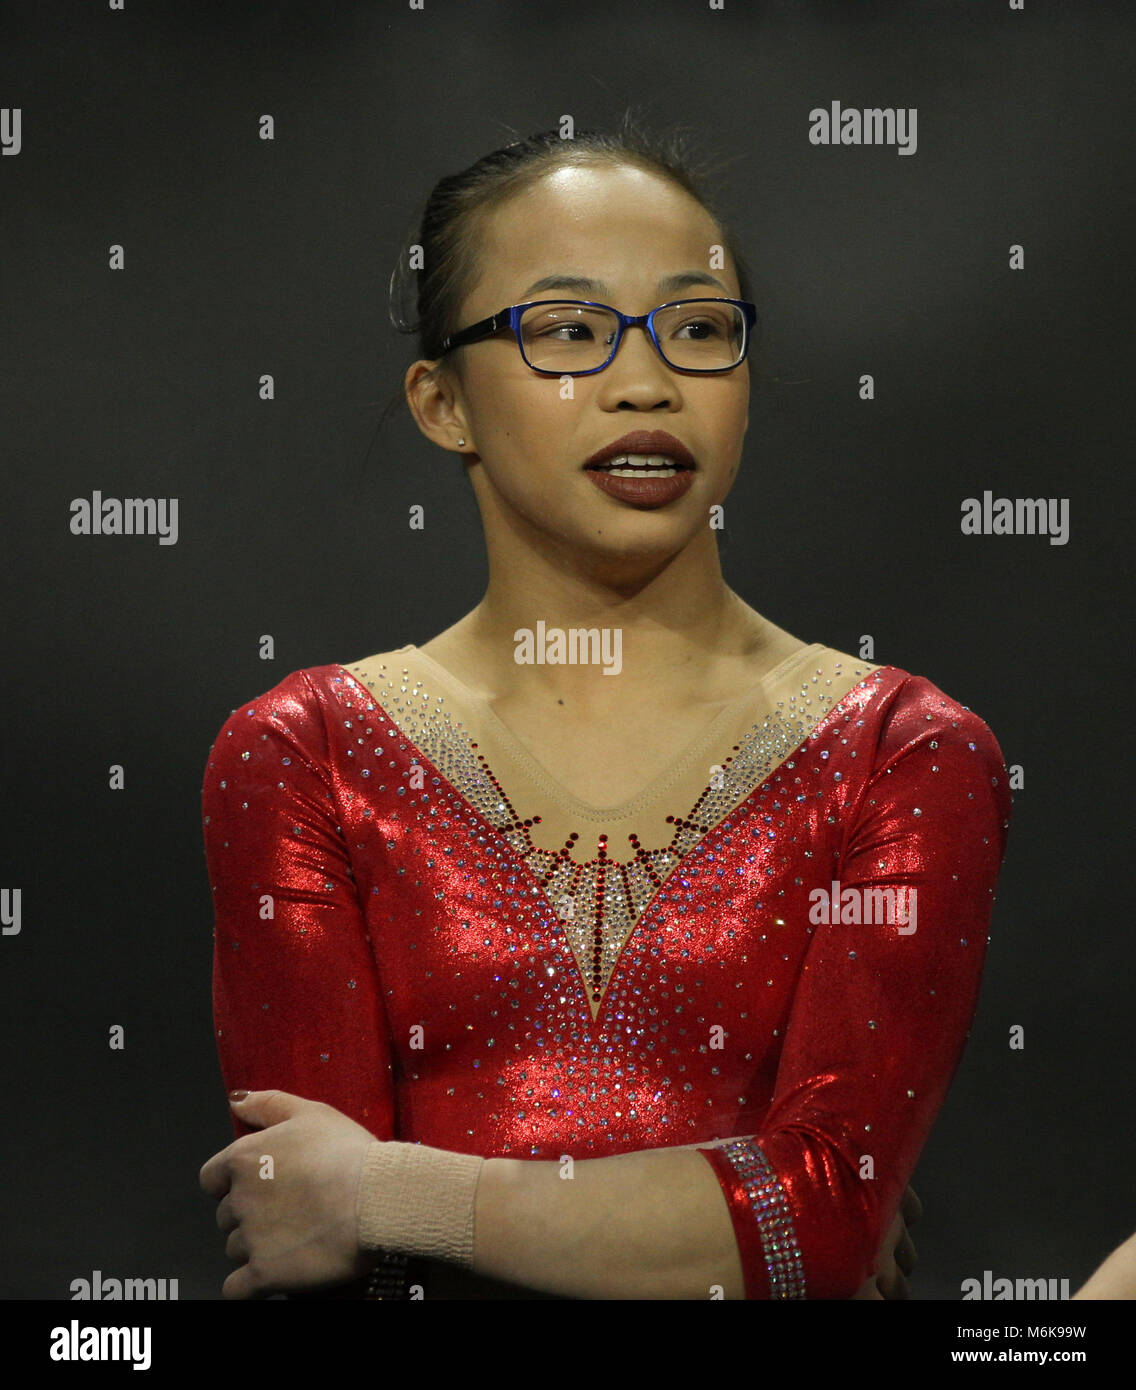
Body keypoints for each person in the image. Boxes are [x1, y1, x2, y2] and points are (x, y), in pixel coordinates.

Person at [198, 120, 1014, 1300]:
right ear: (441, 402)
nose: (645, 381)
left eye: (697, 329)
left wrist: (390, 1193)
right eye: (566, 331)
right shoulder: (304, 753)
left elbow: (820, 1219)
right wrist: (730, 1216)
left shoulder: (902, 750)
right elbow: (307, 1248)